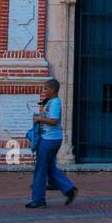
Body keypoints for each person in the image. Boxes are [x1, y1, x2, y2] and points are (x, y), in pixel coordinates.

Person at [26, 78, 78, 209]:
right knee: (49, 167)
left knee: (40, 169)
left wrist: (39, 118)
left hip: (49, 140)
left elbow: (54, 121)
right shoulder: (50, 102)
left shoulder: (54, 103)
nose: (43, 91)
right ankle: (69, 189)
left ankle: (38, 200)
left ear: (53, 90)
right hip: (53, 139)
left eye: (46, 88)